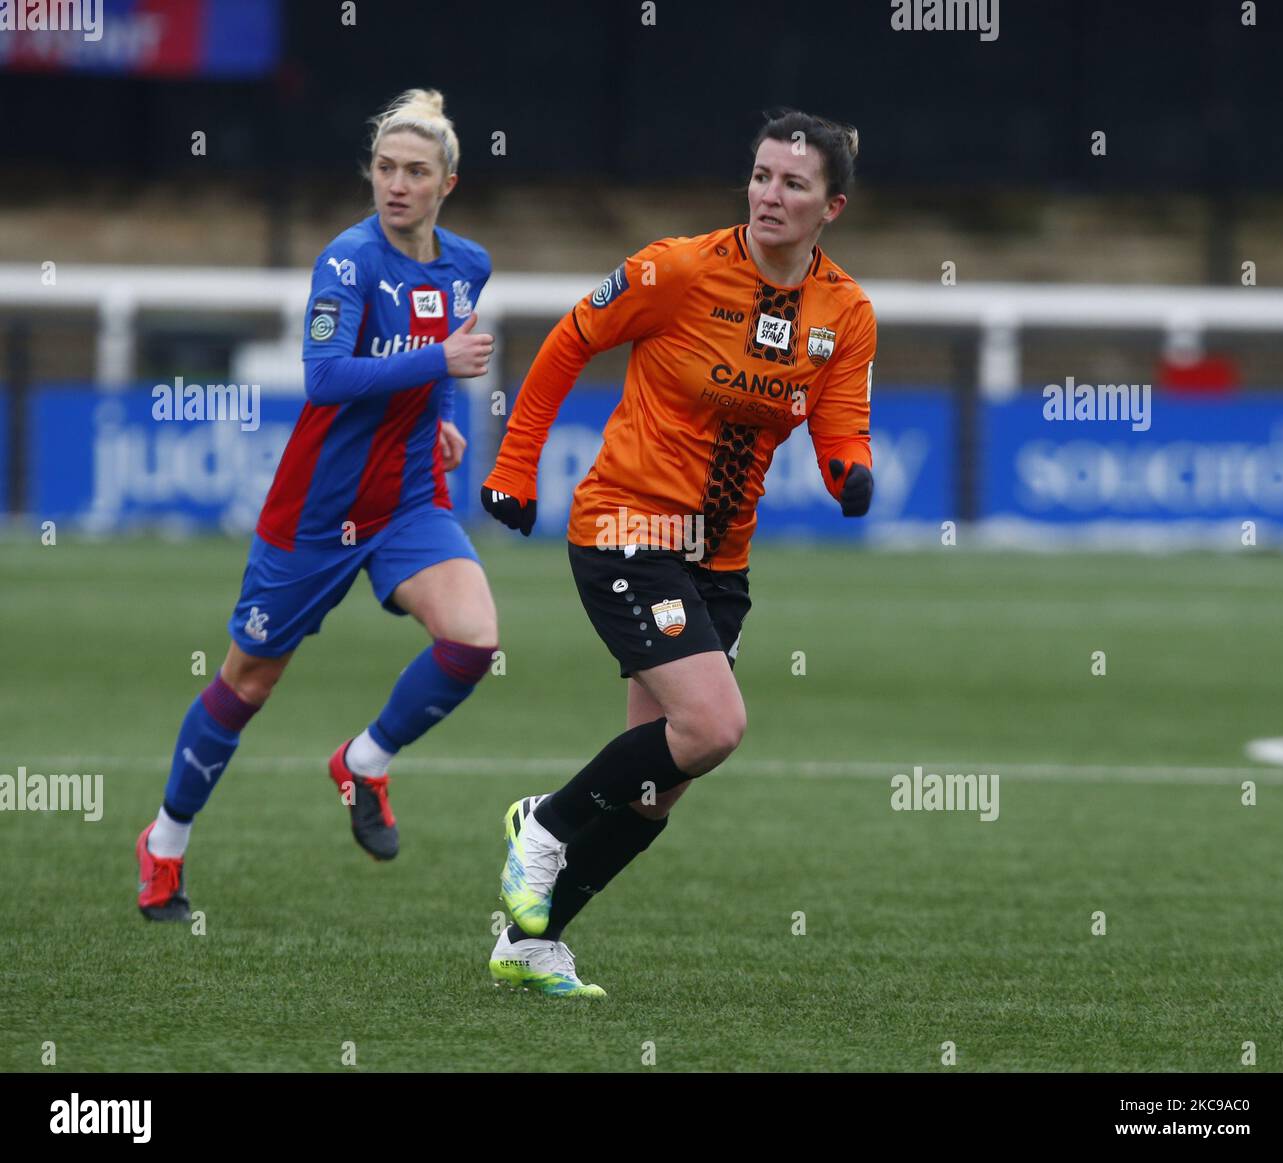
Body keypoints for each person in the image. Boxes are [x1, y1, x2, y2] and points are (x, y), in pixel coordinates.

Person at [480, 109, 876, 997]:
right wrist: (514, 464)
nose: (771, 195)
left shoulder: (844, 312)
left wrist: (853, 471)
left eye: (795, 184)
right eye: (762, 175)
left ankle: (530, 943)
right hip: (628, 527)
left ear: (832, 206)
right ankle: (541, 825)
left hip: (719, 558)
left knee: (659, 784)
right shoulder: (678, 269)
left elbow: (841, 422)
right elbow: (567, 342)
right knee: (714, 726)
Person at [136, 88, 498, 921]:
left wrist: (444, 421)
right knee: (248, 684)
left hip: (408, 497)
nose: (396, 185)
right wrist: (439, 363)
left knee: (475, 637)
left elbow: (444, 364)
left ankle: (364, 761)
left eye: (415, 171)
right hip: (316, 509)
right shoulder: (349, 260)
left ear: (449, 183)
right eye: (383, 168)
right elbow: (326, 378)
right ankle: (163, 846)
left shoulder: (466, 264)